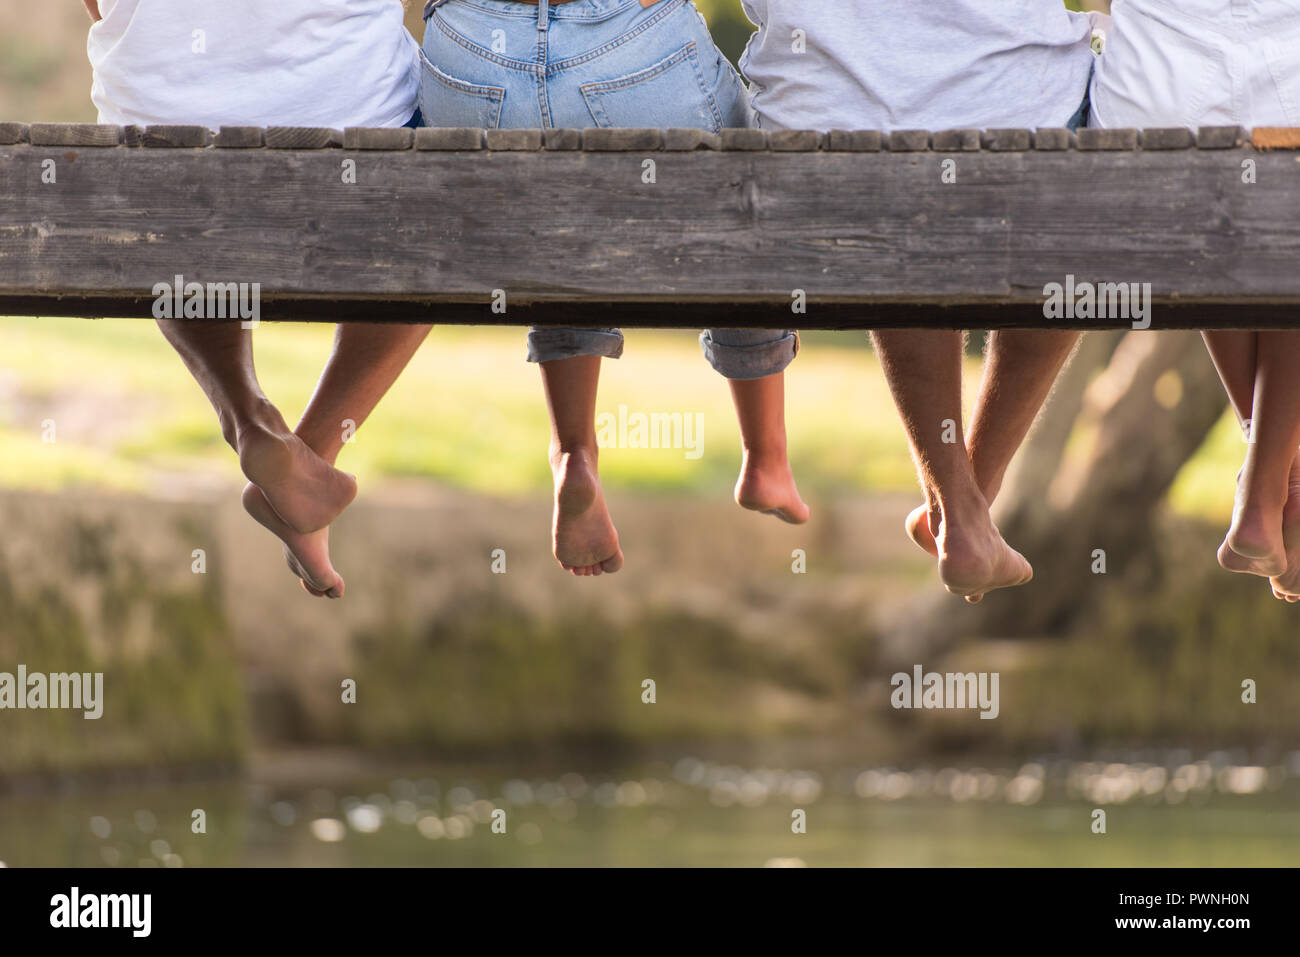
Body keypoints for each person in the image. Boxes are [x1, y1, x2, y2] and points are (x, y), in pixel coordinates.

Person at [418, 0, 807, 579]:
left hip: (471, 56)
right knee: (741, 173)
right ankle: (766, 456)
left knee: (553, 209)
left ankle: (574, 452)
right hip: (628, 52)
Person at [738, 0, 1104, 601]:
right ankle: (964, 509)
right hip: (1019, 102)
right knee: (1069, 216)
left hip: (820, 115)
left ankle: (961, 511)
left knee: (892, 136)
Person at [83, 0, 433, 598]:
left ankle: (254, 425)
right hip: (350, 124)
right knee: (433, 225)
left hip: (153, 137)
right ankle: (311, 453)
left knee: (182, 225)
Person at [1092, 0, 1300, 602]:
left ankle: (1275, 477)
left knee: (1211, 220)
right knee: (1286, 224)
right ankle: (1273, 483)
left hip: (1152, 81)